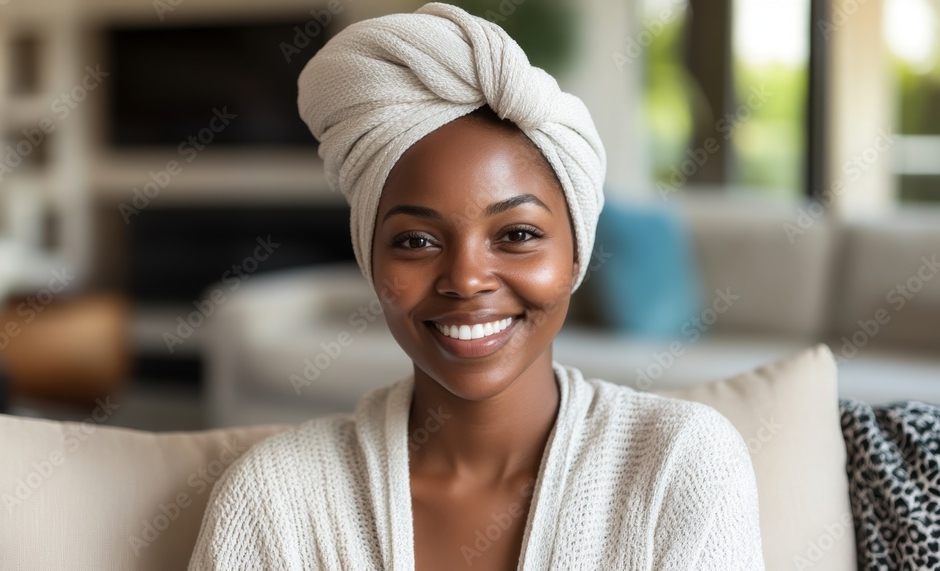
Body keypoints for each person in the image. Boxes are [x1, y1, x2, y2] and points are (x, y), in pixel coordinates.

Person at [189, 3, 764, 570]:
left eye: (516, 233)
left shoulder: (681, 464)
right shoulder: (276, 499)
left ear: (575, 256)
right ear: (370, 261)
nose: (465, 280)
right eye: (416, 241)